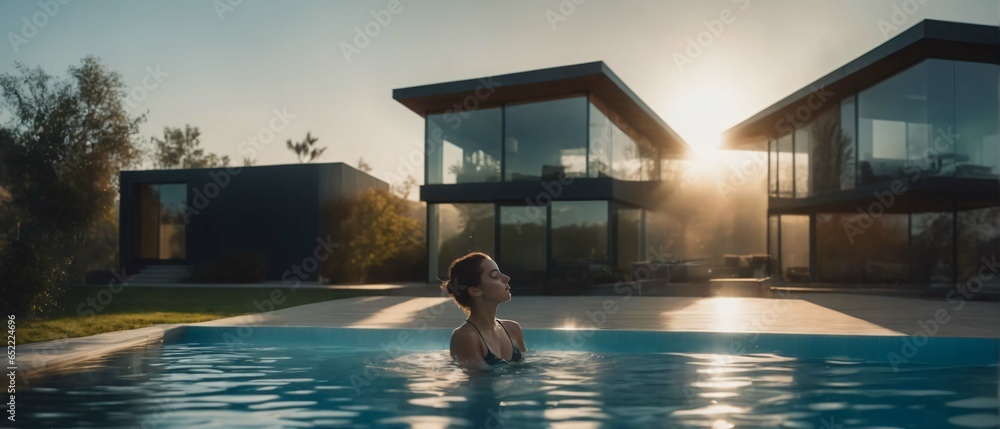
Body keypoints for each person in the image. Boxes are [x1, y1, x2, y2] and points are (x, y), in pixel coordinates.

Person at [442, 252, 526, 369]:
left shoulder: (513, 329)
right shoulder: (466, 336)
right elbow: (478, 379)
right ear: (475, 291)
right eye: (495, 276)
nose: (506, 278)